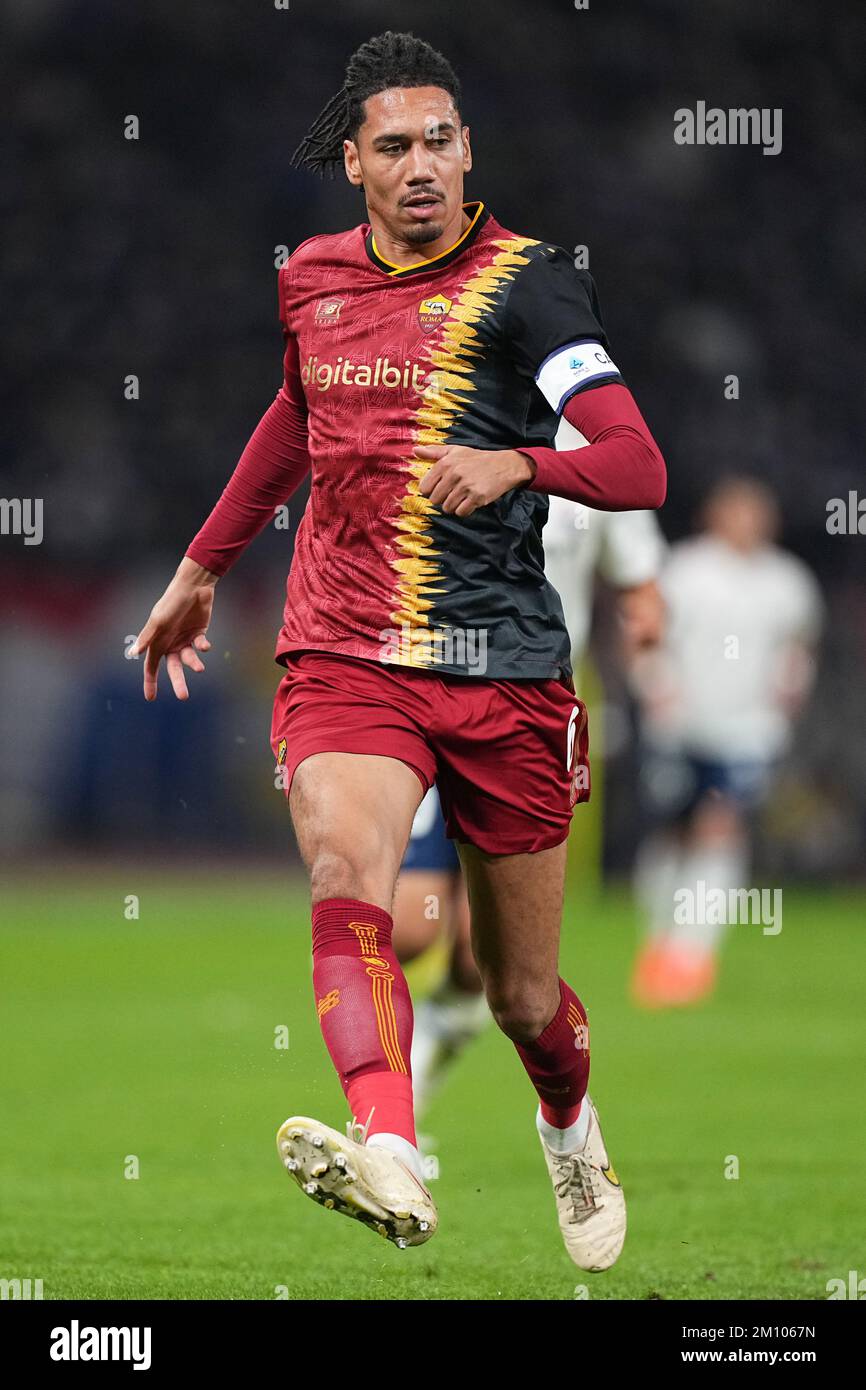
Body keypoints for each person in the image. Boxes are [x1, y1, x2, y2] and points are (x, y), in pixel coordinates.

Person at [132, 31, 666, 1272]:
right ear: (352, 165)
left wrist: (522, 459)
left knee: (522, 995)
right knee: (343, 868)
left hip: (503, 665)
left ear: (467, 150)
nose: (420, 164)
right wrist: (202, 564)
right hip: (346, 645)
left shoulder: (528, 285)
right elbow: (295, 415)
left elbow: (637, 464)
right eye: (393, 147)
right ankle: (387, 1141)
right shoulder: (312, 280)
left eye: (440, 140)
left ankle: (568, 1123)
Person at [396, 423, 666, 1118]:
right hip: (436, 683)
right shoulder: (452, 404)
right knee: (410, 925)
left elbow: (638, 574)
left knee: (483, 960)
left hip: (534, 704)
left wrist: (645, 620)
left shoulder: (596, 438)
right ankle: (389, 1091)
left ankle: (429, 1058)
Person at [629, 477, 822, 1007]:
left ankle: (691, 956)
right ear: (715, 515)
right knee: (673, 833)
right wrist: (656, 688)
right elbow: (645, 634)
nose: (748, 522)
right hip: (681, 724)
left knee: (721, 829)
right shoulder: (686, 571)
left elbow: (798, 648)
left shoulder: (788, 582)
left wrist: (788, 693)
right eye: (737, 511)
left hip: (746, 732)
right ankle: (659, 937)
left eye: (757, 512)